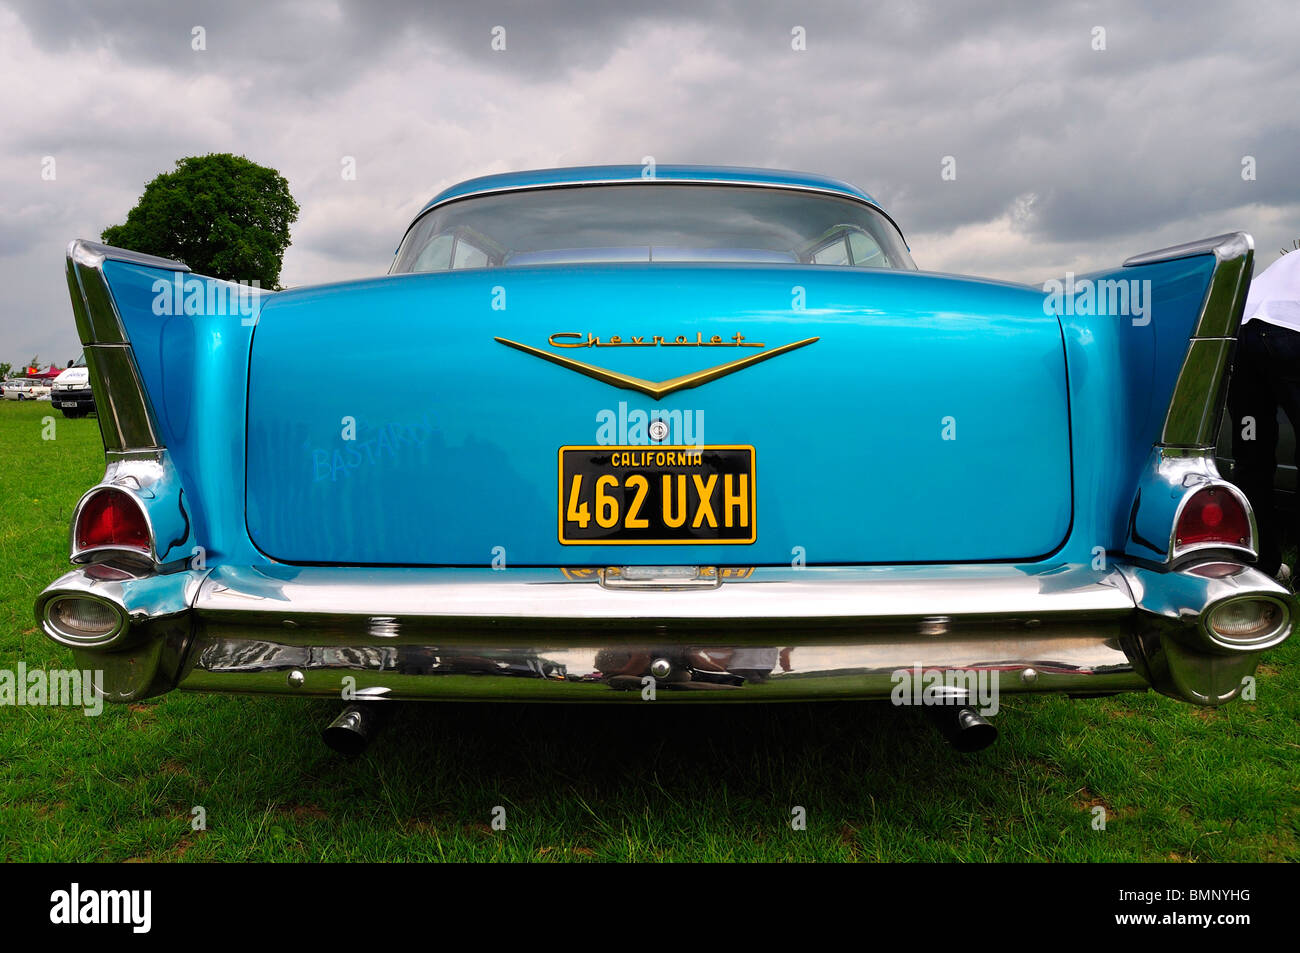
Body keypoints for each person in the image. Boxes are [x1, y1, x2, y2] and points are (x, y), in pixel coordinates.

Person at [1227, 246, 1300, 583]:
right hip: (1288, 331)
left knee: (1251, 459)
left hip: (1242, 336)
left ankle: (1261, 567)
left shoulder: (1288, 262)